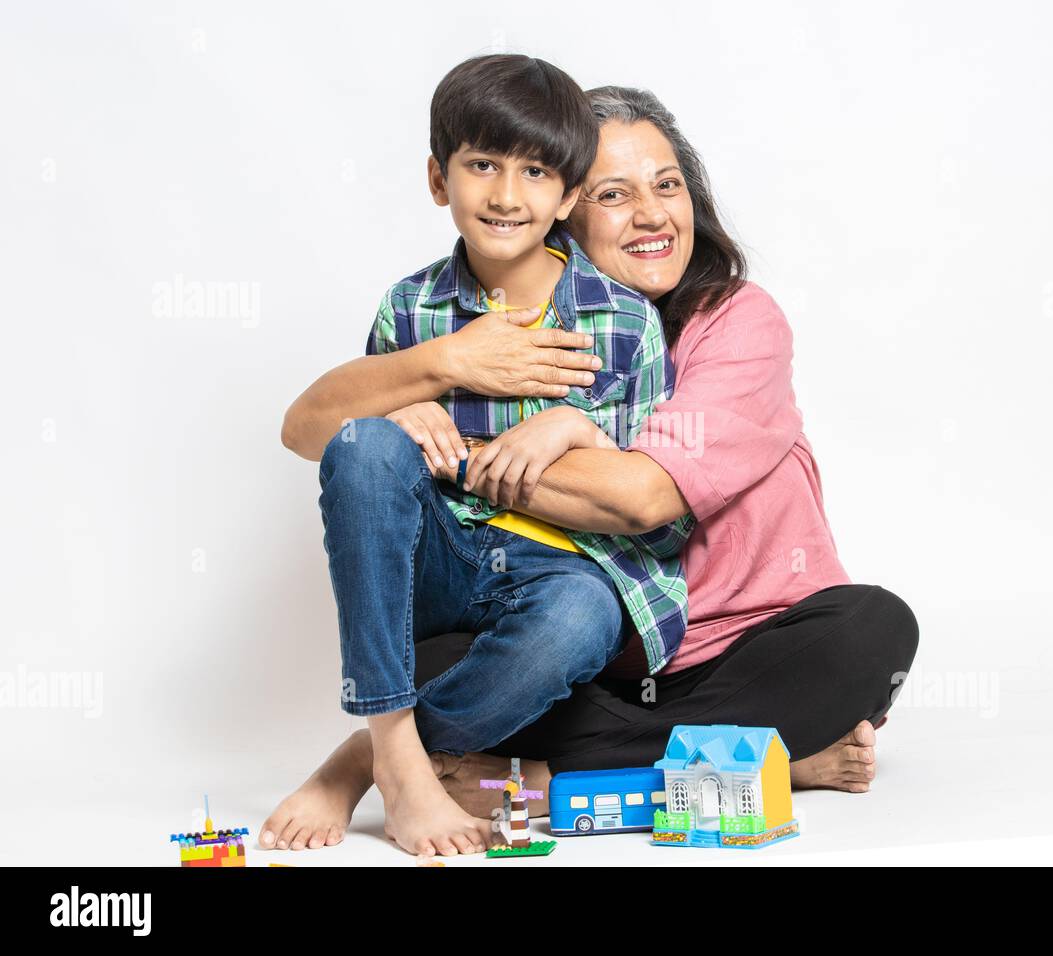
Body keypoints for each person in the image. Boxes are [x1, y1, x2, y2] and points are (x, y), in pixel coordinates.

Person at [261, 84, 919, 854]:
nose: (651, 214)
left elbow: (644, 498)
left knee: (869, 632)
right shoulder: (460, 312)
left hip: (735, 646)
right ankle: (751, 763)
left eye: (668, 185)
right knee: (462, 652)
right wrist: (424, 392)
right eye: (615, 194)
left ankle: (459, 768)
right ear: (566, 213)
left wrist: (461, 449)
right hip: (593, 652)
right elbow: (325, 434)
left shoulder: (734, 324)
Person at [301, 55, 692, 858]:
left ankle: (368, 762)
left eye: (536, 171)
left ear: (570, 194)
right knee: (367, 443)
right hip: (445, 561)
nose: (508, 196)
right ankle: (404, 768)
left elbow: (654, 525)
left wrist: (577, 429)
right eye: (482, 165)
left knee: (581, 613)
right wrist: (418, 387)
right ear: (440, 179)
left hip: (564, 571)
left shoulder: (623, 323)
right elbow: (319, 437)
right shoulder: (411, 307)